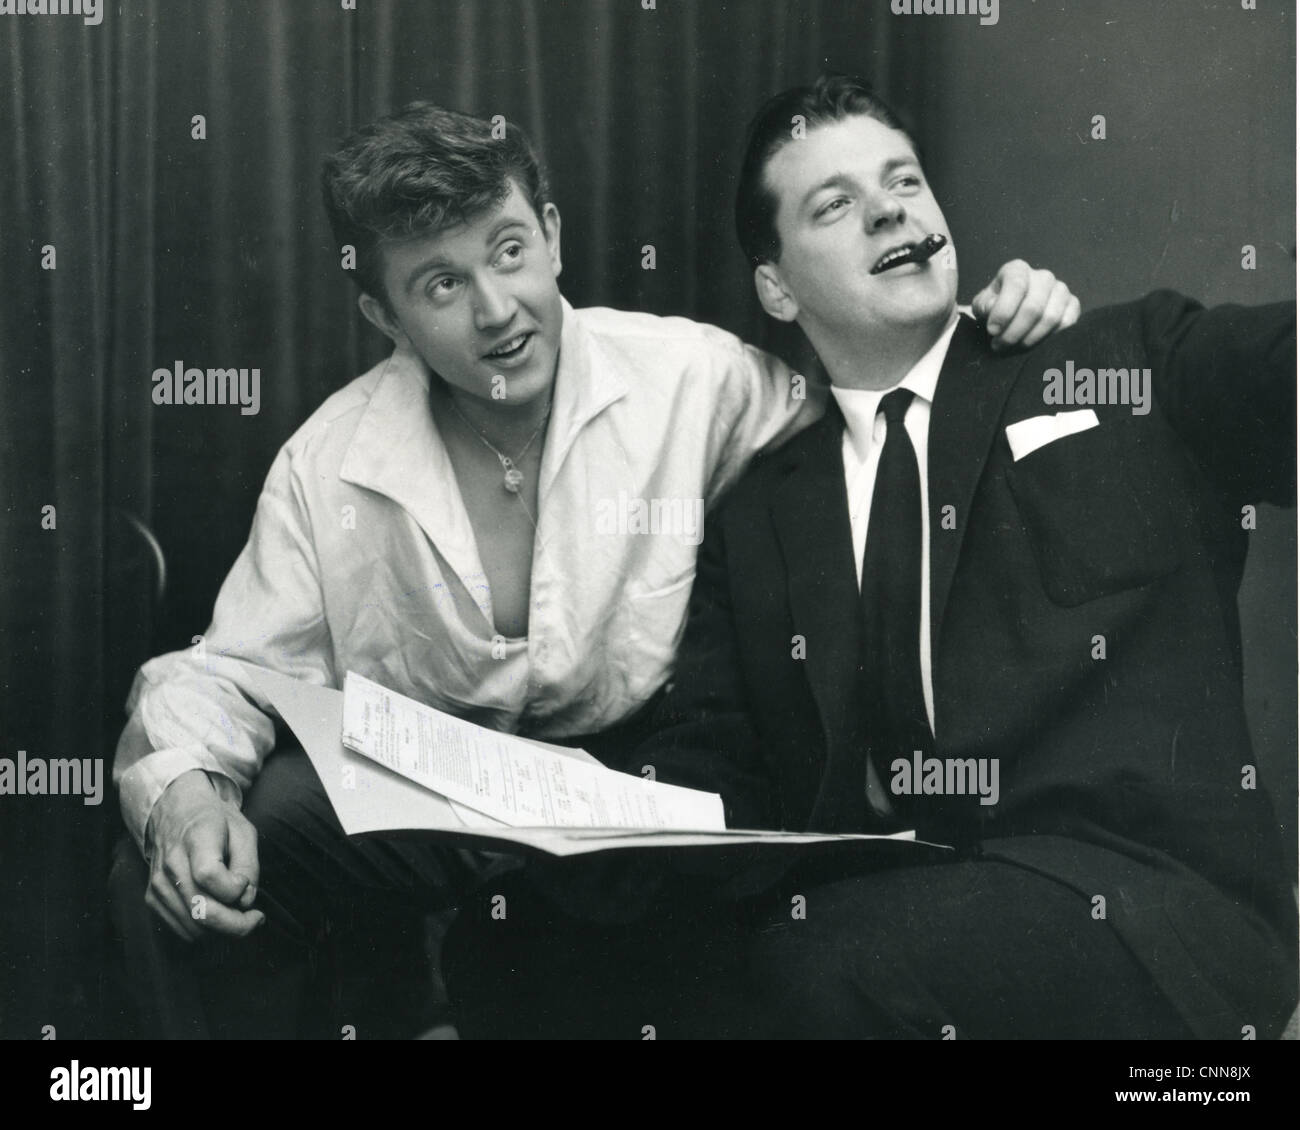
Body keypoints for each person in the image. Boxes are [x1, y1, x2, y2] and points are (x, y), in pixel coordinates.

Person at [108, 99, 1080, 1038]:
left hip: (647, 794)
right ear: (382, 313)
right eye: (441, 284)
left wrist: (989, 332)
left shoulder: (691, 378)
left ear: (554, 236)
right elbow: (224, 669)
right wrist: (188, 794)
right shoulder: (330, 462)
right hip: (441, 796)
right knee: (200, 860)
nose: (498, 311)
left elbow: (873, 416)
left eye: (508, 249)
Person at [442, 75, 1298, 1040]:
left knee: (821, 967)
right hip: (880, 897)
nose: (891, 206)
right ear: (775, 285)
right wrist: (545, 806)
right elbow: (716, 762)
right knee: (506, 942)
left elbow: (1278, 365)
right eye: (836, 204)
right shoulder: (760, 511)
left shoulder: (1116, 360)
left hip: (1142, 911)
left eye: (904, 181)